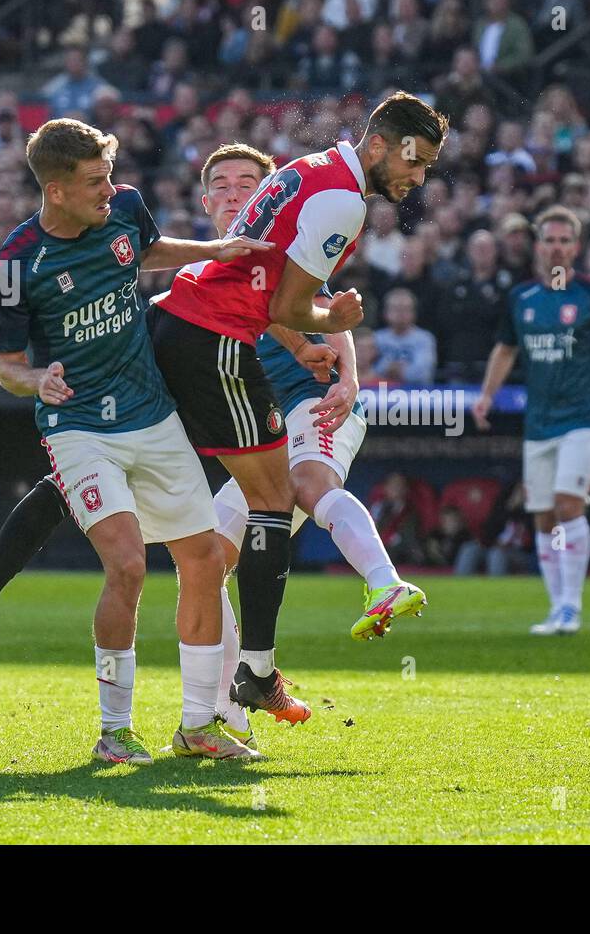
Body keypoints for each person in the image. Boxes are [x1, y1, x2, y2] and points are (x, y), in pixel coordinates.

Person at [0, 118, 272, 765]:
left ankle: (198, 725)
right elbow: (3, 366)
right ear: (55, 191)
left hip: (152, 415)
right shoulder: (15, 262)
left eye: (109, 175)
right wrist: (36, 378)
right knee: (129, 564)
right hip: (80, 427)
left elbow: (144, 251)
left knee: (203, 560)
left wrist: (212, 250)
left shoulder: (124, 208)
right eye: (94, 181)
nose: (109, 189)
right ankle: (113, 730)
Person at [148, 92, 445, 719]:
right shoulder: (342, 200)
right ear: (380, 145)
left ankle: (227, 702)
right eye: (415, 163)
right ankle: (263, 670)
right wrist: (332, 321)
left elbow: (279, 294)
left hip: (211, 339)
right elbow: (287, 306)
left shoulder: (305, 172)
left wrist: (339, 358)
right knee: (257, 517)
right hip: (217, 339)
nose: (418, 179)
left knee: (218, 548)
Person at [473, 205, 590, 636]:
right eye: (549, 240)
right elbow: (505, 349)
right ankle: (557, 605)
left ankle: (572, 608)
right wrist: (487, 395)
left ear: (575, 247)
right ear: (538, 246)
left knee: (568, 503)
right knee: (542, 516)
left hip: (586, 417)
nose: (556, 248)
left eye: (564, 240)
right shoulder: (522, 299)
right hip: (539, 421)